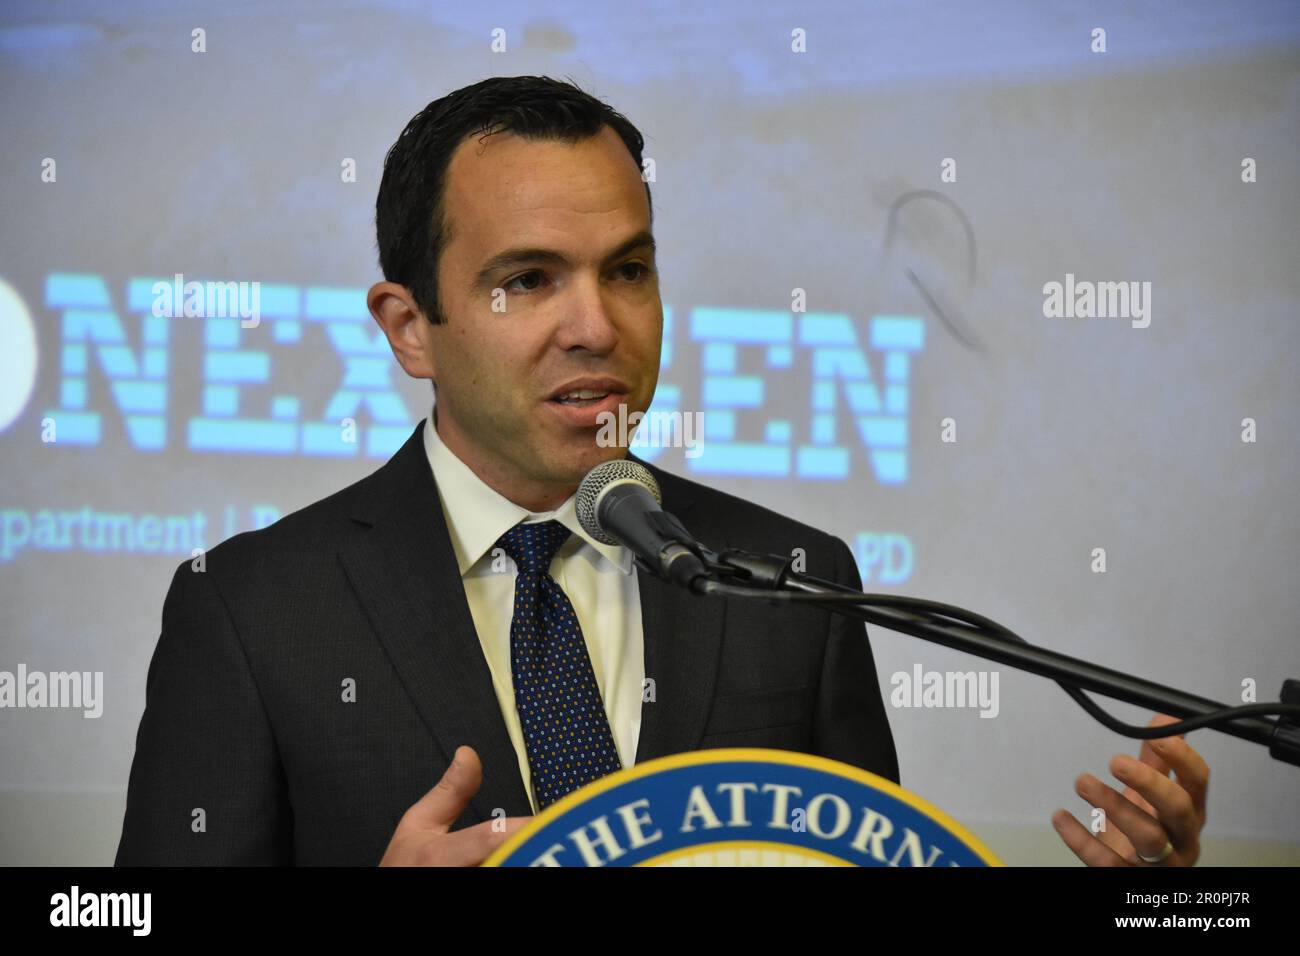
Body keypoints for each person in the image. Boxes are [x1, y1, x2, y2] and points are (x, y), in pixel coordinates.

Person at [116, 75, 1206, 867]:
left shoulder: (793, 581)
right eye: (528, 280)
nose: (598, 326)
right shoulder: (252, 610)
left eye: (628, 270)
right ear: (410, 326)